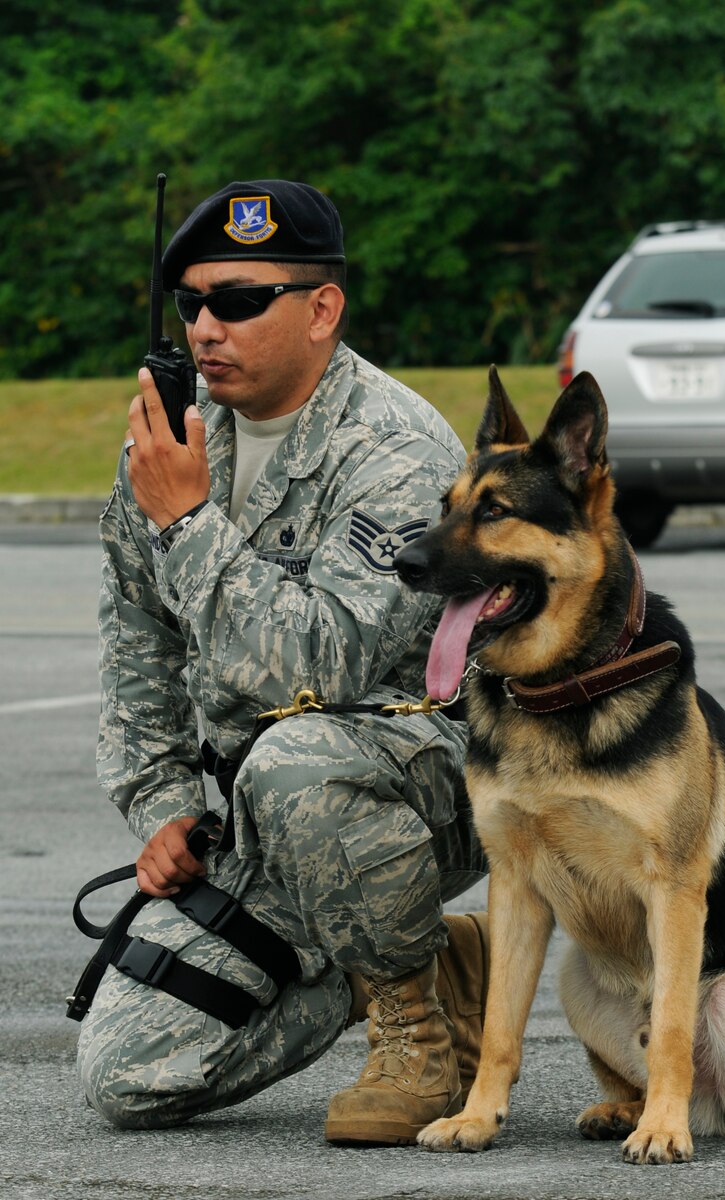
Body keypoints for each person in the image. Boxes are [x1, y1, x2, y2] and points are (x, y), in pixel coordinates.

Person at [77, 179, 488, 1144]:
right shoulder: (175, 440)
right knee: (130, 1076)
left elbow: (321, 666)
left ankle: (414, 1031)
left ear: (321, 309)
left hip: (419, 789)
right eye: (190, 304)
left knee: (296, 753)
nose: (205, 328)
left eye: (239, 300)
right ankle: (427, 960)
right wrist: (163, 804)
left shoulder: (396, 451)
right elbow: (137, 646)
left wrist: (187, 521)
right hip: (261, 818)